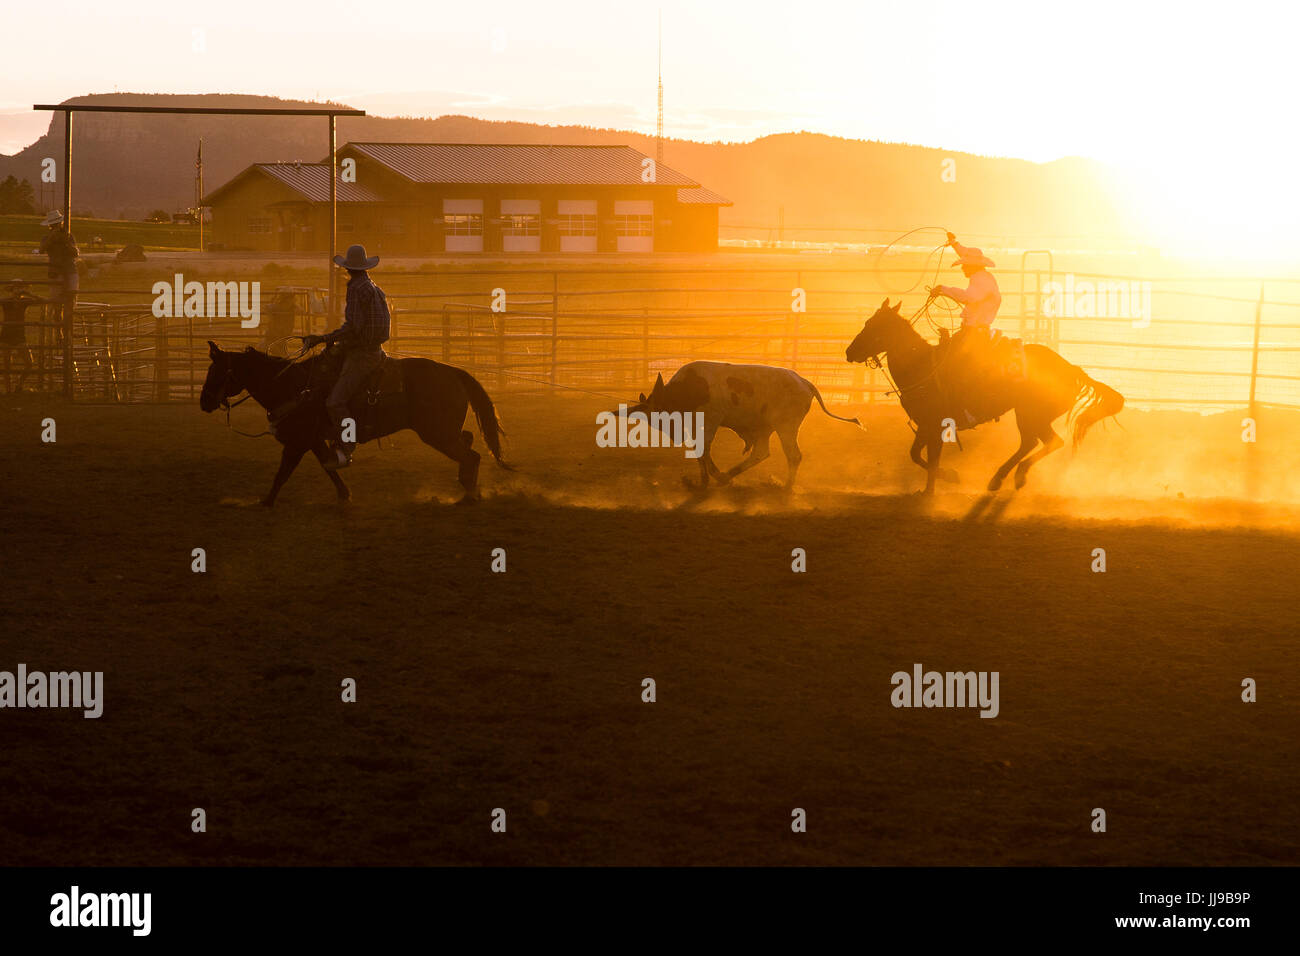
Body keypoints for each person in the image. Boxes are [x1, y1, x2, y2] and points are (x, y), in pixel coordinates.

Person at [302, 244, 391, 470]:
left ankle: (347, 445)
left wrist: (323, 339)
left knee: (336, 401)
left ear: (348, 269)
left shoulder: (356, 289)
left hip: (362, 354)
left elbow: (353, 327)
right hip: (373, 349)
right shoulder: (373, 287)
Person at [928, 232, 1002, 424]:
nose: (962, 268)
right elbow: (966, 252)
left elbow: (970, 297)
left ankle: (963, 408)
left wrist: (943, 289)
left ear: (972, 266)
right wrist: (954, 243)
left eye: (964, 265)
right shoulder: (982, 276)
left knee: (953, 366)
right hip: (973, 331)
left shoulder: (981, 280)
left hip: (974, 333)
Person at [37, 211, 79, 342]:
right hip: (57, 271)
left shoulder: (68, 236)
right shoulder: (47, 238)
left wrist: (65, 242)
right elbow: (42, 249)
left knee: (70, 300)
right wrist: (52, 238)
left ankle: (67, 331)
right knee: (56, 303)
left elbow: (75, 253)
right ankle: (59, 332)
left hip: (69, 270)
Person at [1, 279, 43, 393]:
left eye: (20, 288)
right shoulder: (6, 301)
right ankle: (9, 390)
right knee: (7, 364)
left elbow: (41, 301)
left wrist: (28, 294)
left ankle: (19, 384)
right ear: (12, 290)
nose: (18, 290)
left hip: (19, 334)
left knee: (29, 363)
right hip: (7, 333)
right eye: (16, 288)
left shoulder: (25, 301)